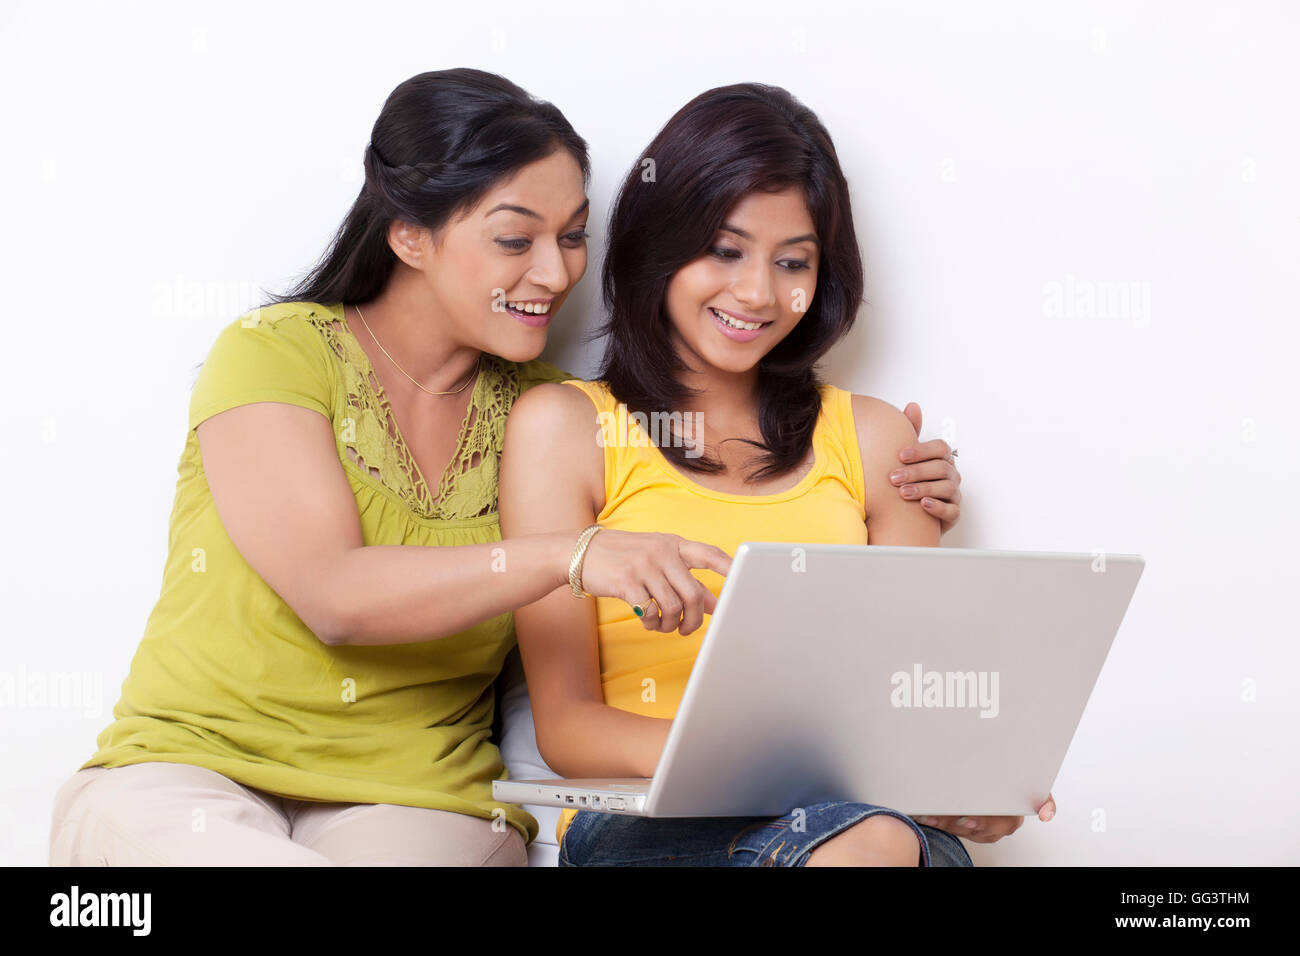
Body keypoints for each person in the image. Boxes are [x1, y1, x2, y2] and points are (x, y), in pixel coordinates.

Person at [48, 70, 963, 867]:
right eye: (515, 237)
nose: (555, 272)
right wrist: (576, 553)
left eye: (571, 236)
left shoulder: (536, 408)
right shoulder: (277, 352)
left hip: (415, 799)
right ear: (409, 233)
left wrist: (916, 485)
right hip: (192, 769)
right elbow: (335, 592)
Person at [498, 82, 1035, 868]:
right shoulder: (566, 428)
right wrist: (769, 775)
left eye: (794, 262)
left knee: (874, 839)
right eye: (725, 250)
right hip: (653, 819)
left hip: (865, 823)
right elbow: (570, 727)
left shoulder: (879, 439)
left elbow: (907, 701)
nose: (757, 293)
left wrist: (971, 783)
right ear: (661, 242)